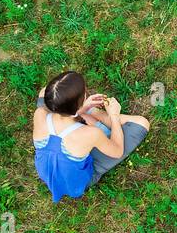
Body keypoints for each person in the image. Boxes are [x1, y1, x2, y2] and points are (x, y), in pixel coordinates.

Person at [33, 71, 151, 202]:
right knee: (141, 123)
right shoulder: (90, 134)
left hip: (48, 172)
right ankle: (94, 113)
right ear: (82, 100)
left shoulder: (40, 114)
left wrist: (81, 109)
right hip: (77, 181)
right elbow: (117, 151)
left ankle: (86, 113)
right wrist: (114, 116)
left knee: (43, 93)